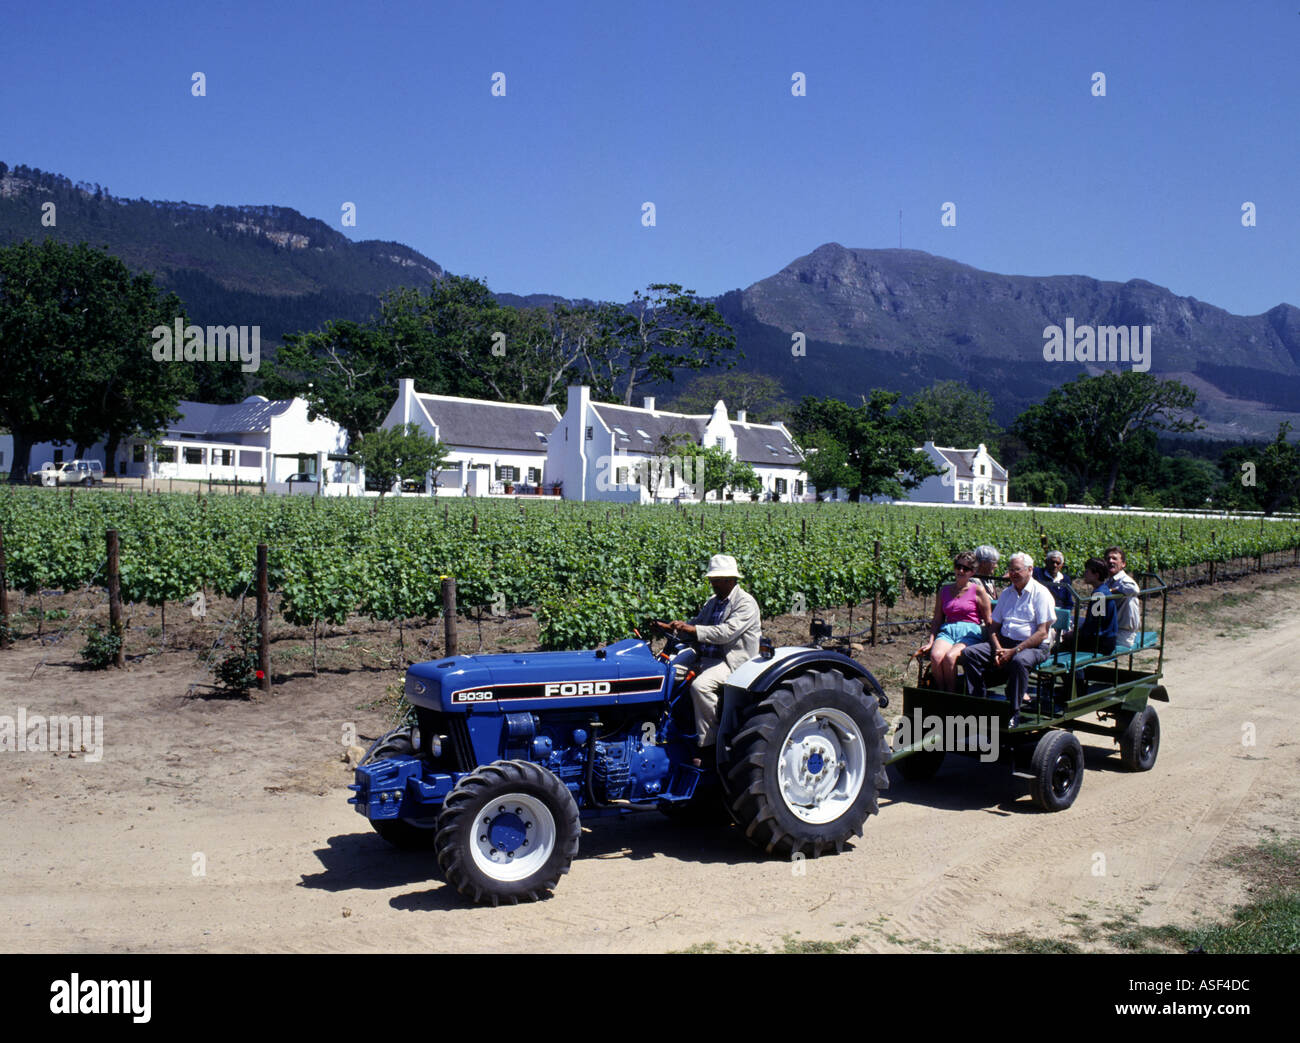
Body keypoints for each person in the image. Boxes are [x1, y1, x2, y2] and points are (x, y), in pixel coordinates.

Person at [661, 554, 761, 765]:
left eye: (716, 580)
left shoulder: (745, 603)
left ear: (730, 580)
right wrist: (675, 628)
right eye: (712, 579)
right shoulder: (713, 603)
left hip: (732, 660)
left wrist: (693, 629)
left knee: (701, 687)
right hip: (703, 655)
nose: (712, 583)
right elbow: (697, 624)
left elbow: (726, 633)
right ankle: (673, 725)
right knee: (665, 673)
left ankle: (708, 745)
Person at [961, 552, 1056, 722]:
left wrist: (1014, 651)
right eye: (1011, 570)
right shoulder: (1007, 593)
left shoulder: (1041, 594)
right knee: (970, 654)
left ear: (1030, 570)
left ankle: (1013, 712)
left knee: (1019, 661)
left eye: (1017, 570)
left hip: (1033, 646)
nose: (1013, 573)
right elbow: (993, 627)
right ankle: (978, 702)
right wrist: (998, 649)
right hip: (1005, 643)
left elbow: (1042, 632)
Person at [918, 551, 993, 692]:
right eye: (958, 566)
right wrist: (931, 641)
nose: (961, 571)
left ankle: (952, 693)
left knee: (950, 657)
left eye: (966, 569)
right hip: (948, 630)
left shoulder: (978, 591)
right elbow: (937, 619)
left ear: (972, 572)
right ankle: (942, 692)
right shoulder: (944, 590)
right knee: (936, 656)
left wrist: (994, 644)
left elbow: (988, 619)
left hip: (970, 632)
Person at [1105, 546, 1142, 648]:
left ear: (1123, 564)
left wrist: (1113, 590)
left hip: (1123, 633)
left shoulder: (1124, 580)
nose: (1110, 561)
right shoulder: (1109, 581)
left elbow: (1135, 589)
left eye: (1114, 559)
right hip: (1112, 628)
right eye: (1108, 559)